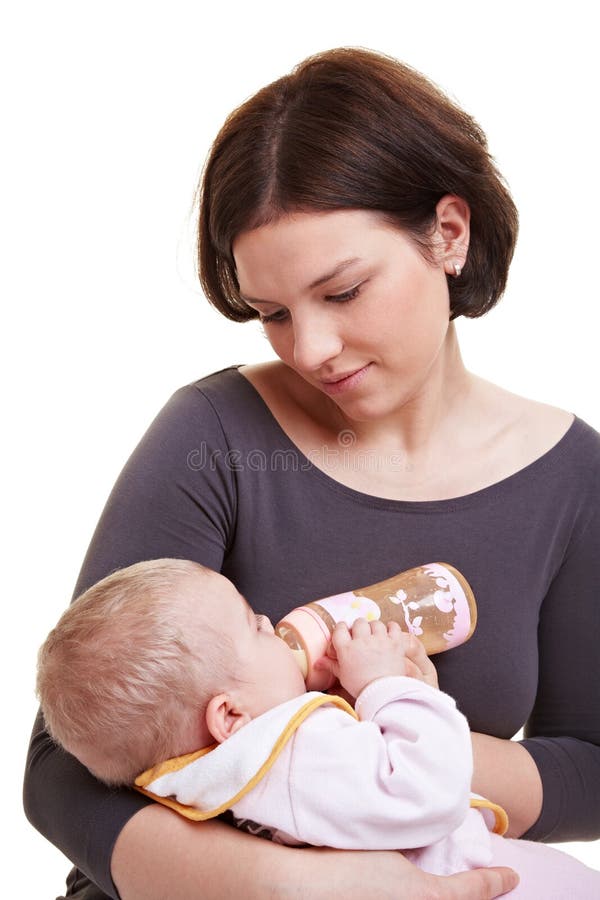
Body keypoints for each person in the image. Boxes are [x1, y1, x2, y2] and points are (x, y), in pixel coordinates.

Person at [23, 45, 600, 900]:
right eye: (273, 314)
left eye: (343, 292)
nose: (311, 350)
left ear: (450, 232)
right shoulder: (215, 435)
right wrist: (295, 885)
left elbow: (590, 766)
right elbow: (60, 767)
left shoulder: (571, 476)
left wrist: (377, 732)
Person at [36, 558, 600, 897]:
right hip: (472, 879)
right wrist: (390, 688)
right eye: (254, 627)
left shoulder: (227, 773)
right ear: (229, 716)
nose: (270, 622)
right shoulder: (298, 756)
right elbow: (428, 793)